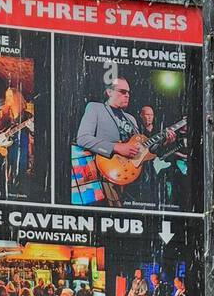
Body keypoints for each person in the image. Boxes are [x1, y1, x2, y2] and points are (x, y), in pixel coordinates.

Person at [75, 77, 175, 207]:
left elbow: (142, 151)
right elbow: (83, 138)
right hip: (104, 174)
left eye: (128, 92)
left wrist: (165, 143)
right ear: (109, 92)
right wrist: (116, 147)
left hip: (130, 180)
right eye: (122, 91)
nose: (127, 95)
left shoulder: (131, 119)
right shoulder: (95, 108)